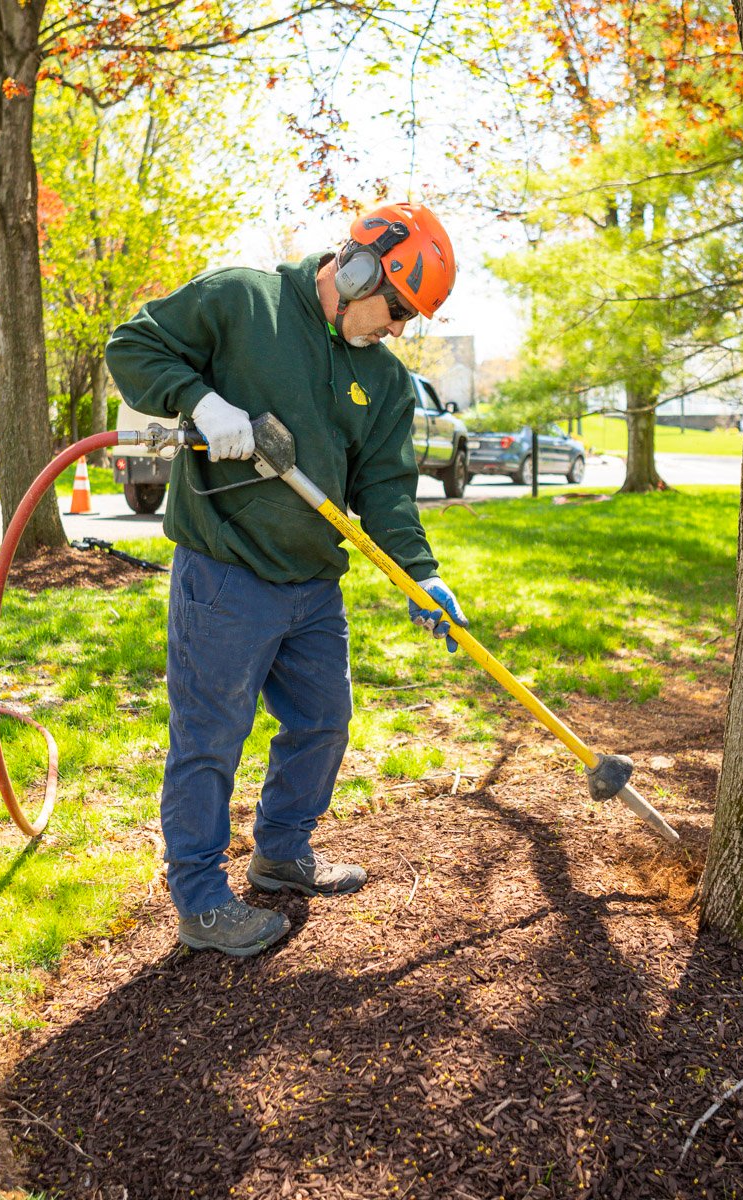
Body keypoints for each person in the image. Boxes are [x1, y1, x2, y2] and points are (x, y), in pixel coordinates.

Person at [106, 202, 467, 958]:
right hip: (226, 572)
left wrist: (421, 575)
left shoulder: (387, 382)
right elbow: (135, 348)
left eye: (411, 319)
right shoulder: (245, 300)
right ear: (359, 268)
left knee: (323, 722)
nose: (399, 328)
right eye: (397, 308)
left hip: (313, 586)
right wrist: (200, 400)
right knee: (209, 739)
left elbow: (389, 492)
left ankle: (281, 852)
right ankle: (202, 902)